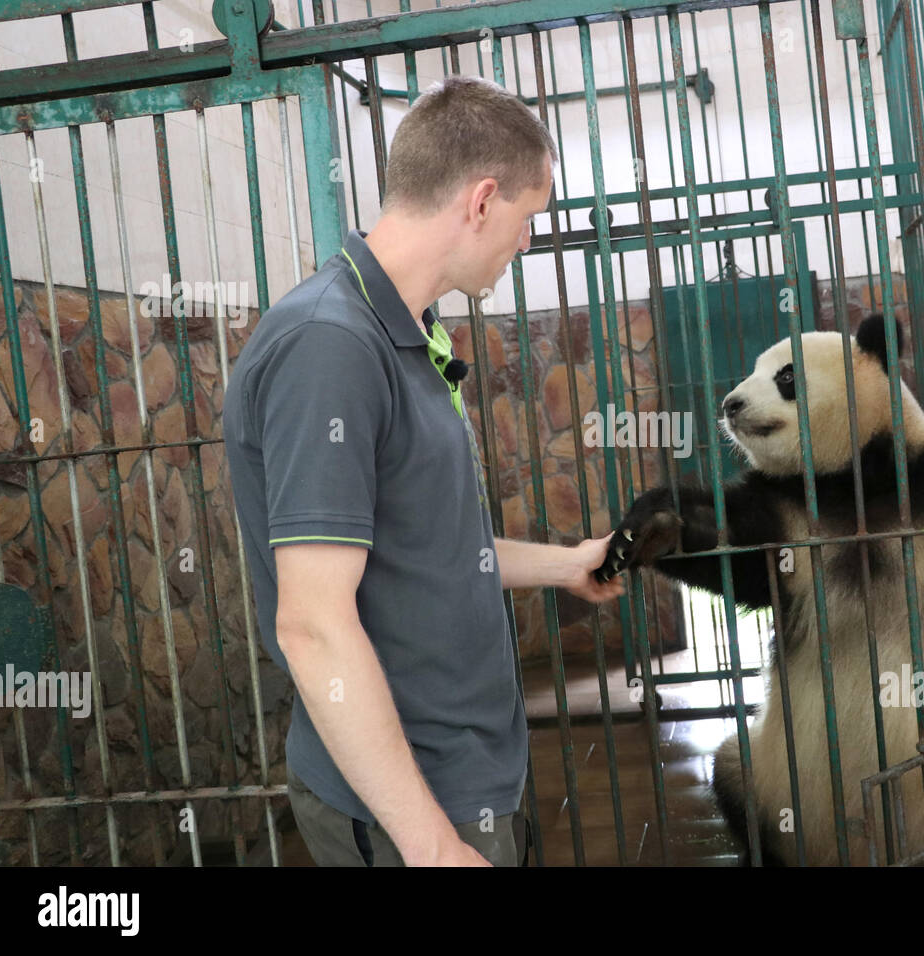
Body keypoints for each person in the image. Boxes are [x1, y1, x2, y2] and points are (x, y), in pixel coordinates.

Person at [222, 74, 625, 867]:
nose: (526, 242)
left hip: (462, 777)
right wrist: (433, 846)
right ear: (480, 201)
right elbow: (312, 624)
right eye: (527, 218)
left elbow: (429, 547)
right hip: (412, 805)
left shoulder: (403, 330)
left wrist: (567, 565)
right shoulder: (329, 347)